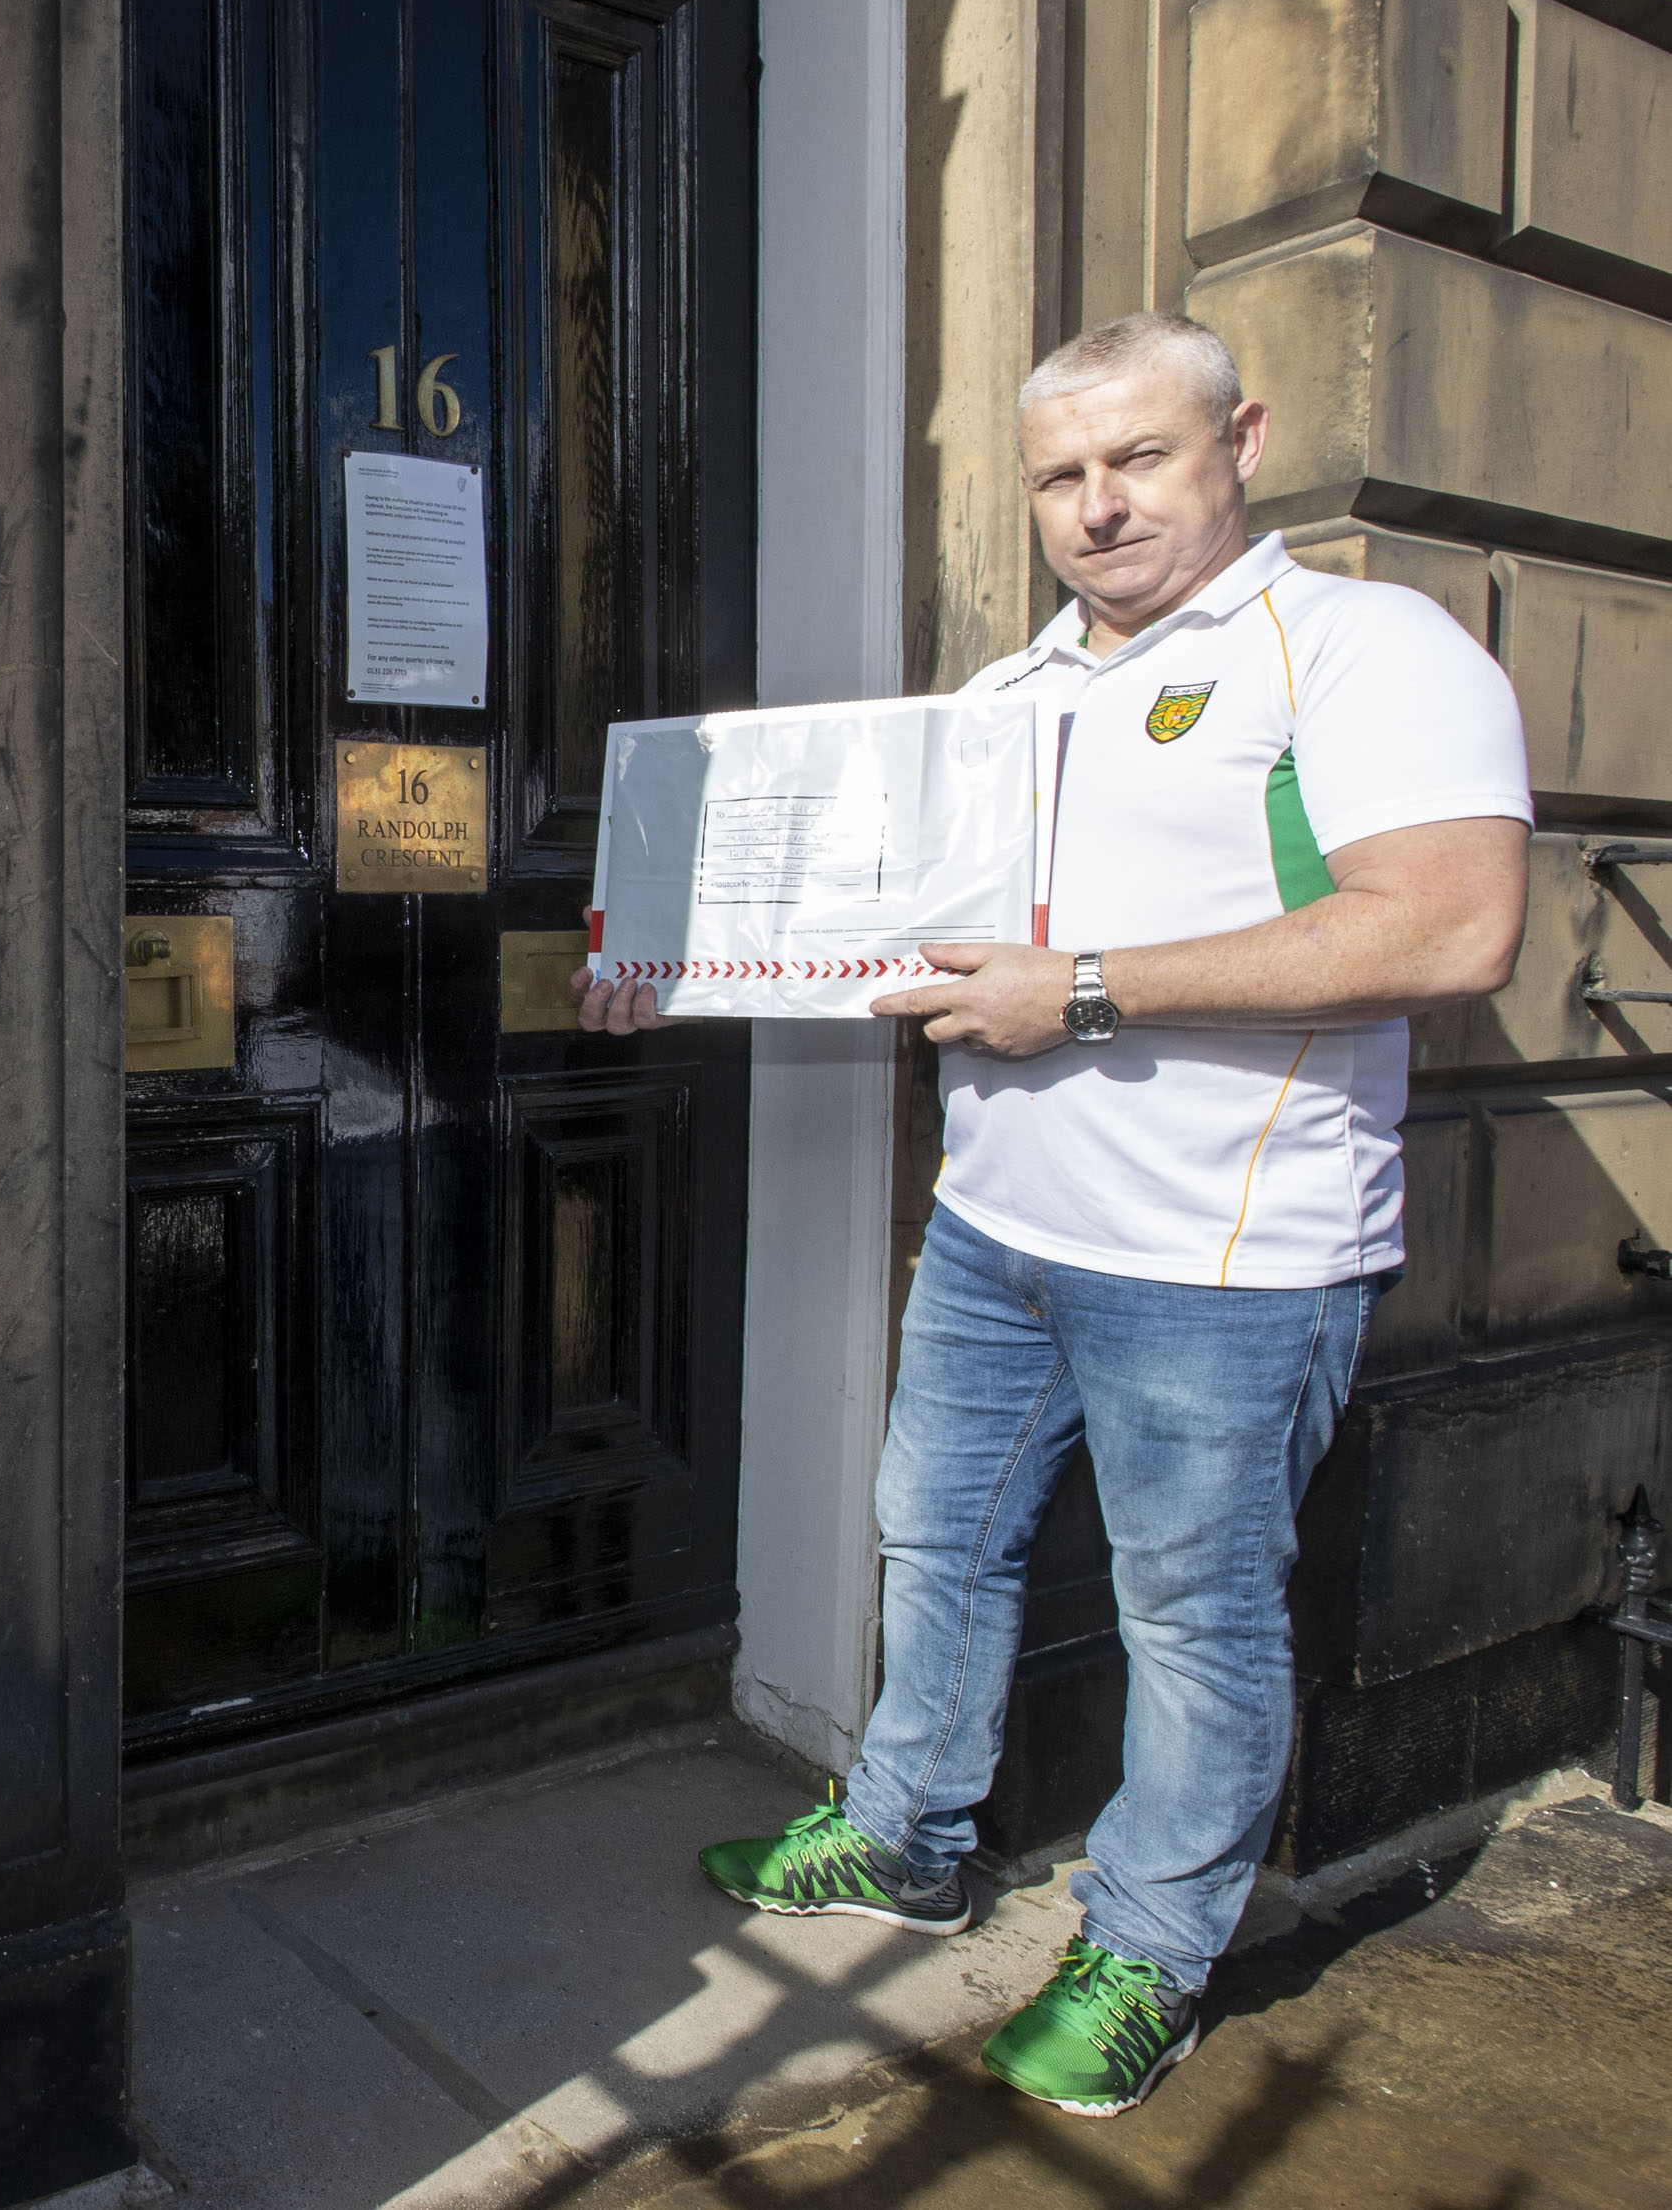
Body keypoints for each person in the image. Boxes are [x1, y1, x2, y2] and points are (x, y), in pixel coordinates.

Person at [575, 311, 1530, 2116]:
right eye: (1059, 476)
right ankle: (910, 1838)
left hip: (1228, 1262)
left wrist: (1083, 988)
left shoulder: (1358, 649)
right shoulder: (1009, 702)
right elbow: (881, 943)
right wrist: (671, 960)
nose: (1096, 507)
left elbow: (1450, 928)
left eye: (1139, 459)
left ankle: (1151, 1951)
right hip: (1002, 1228)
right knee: (933, 1537)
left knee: (1194, 1615)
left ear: (1239, 437)